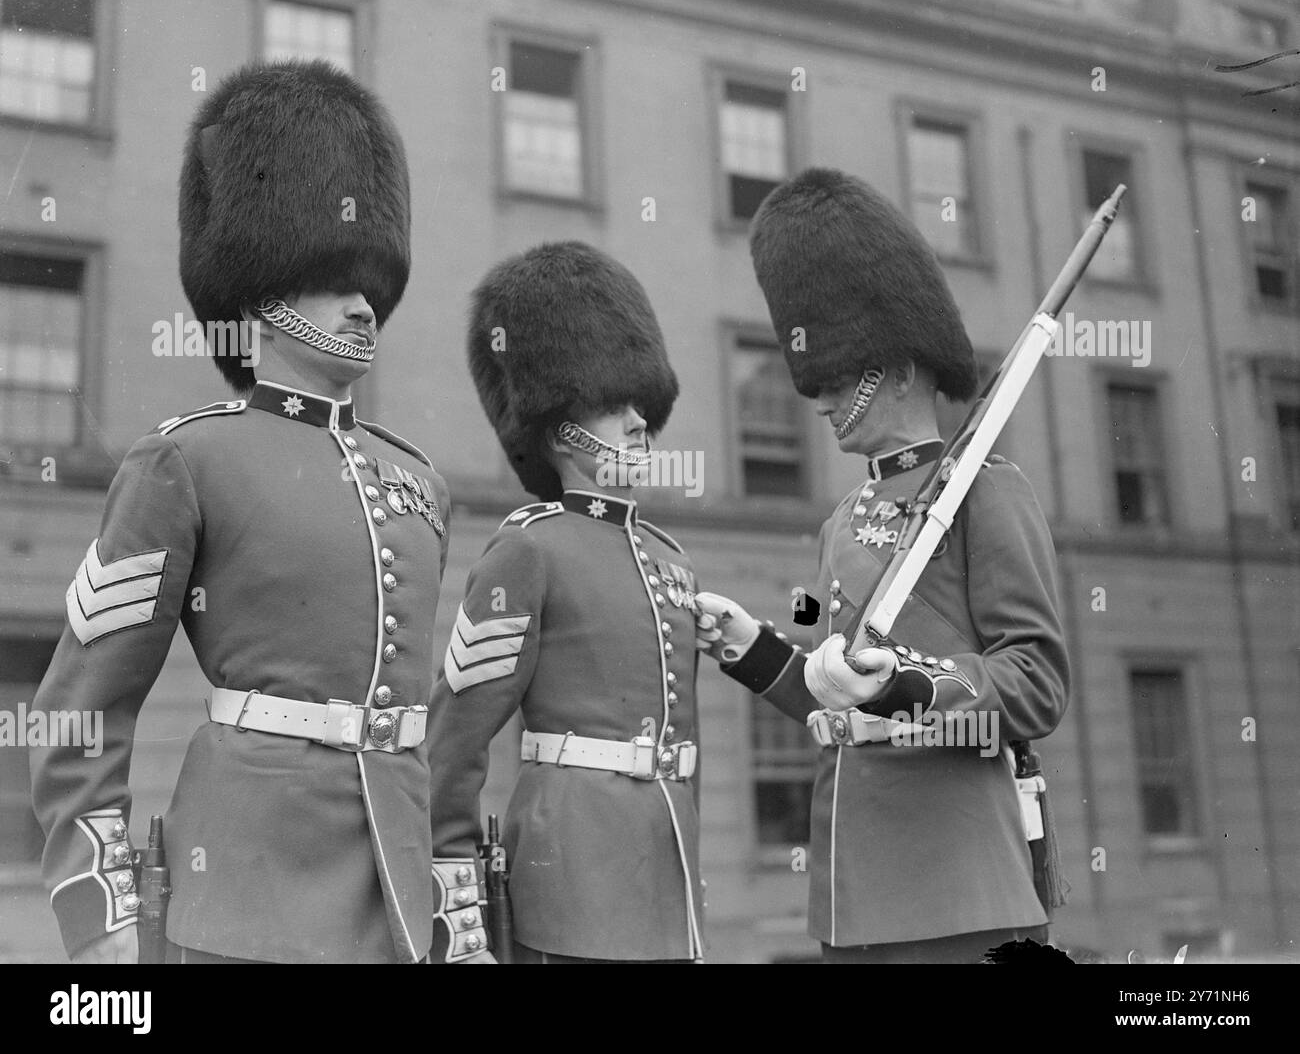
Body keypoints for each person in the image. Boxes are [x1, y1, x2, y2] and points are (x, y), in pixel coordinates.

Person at [29, 60, 487, 964]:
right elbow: (80, 706)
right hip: (247, 897)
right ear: (264, 299)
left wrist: (453, 903)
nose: (365, 304)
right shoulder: (188, 461)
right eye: (332, 279)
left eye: (371, 281)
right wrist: (102, 917)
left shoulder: (421, 483)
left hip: (397, 903)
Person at [695, 168, 1070, 964]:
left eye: (836, 382)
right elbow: (834, 700)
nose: (821, 403)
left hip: (954, 886)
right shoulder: (841, 522)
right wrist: (751, 648)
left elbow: (1035, 680)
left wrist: (911, 687)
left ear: (899, 371)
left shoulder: (988, 492)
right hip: (851, 895)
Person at [426, 241, 705, 962]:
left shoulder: (669, 560)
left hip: (668, 880)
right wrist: (457, 900)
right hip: (570, 881)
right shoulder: (529, 549)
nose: (641, 423)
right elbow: (454, 741)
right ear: (561, 430)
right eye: (615, 407)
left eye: (640, 403)